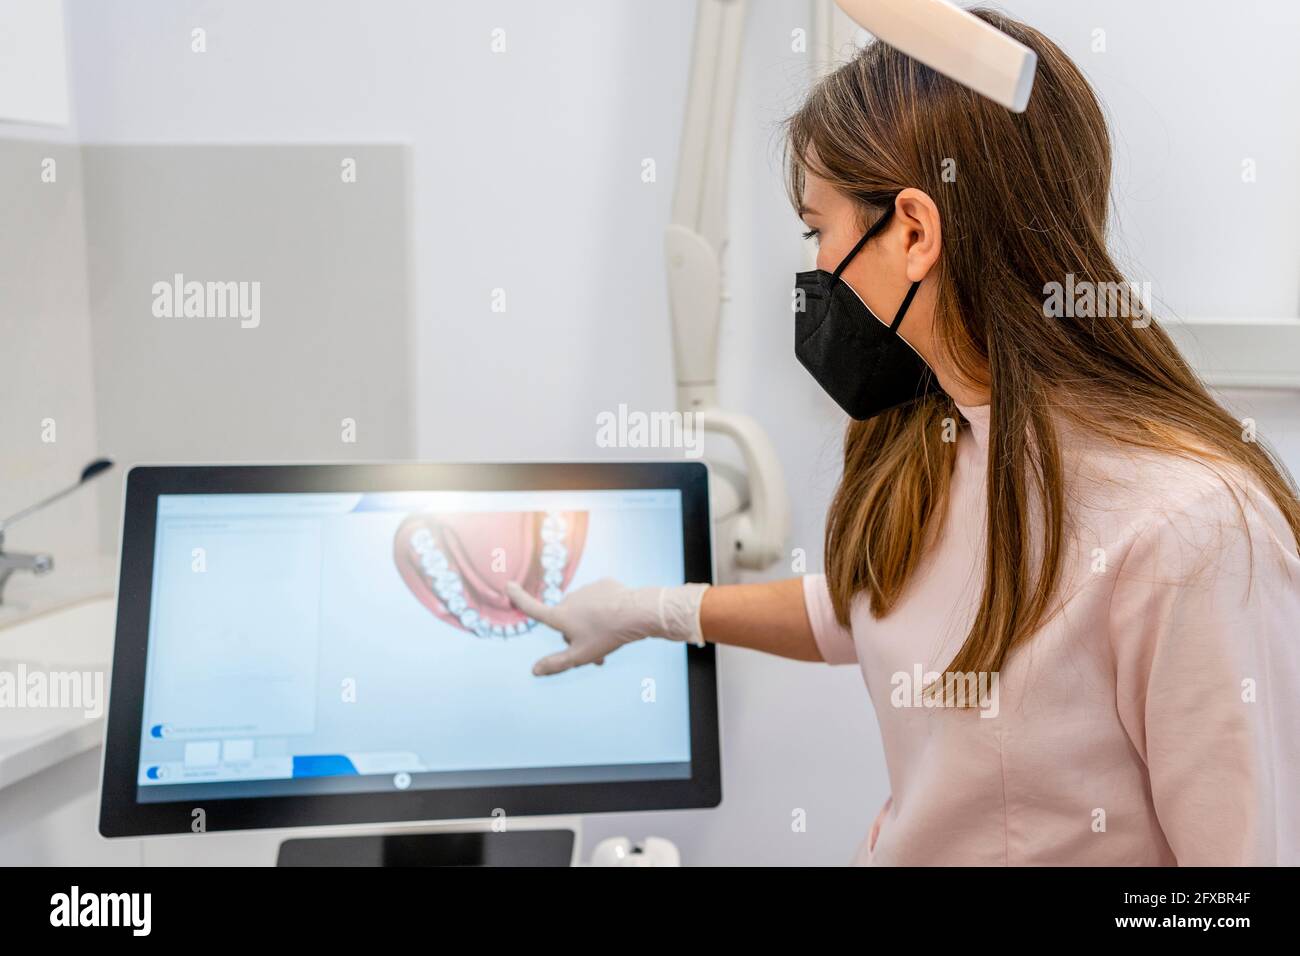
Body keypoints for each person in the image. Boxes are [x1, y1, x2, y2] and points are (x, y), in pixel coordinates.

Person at [509, 8, 1300, 866]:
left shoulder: (1188, 532)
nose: (813, 272)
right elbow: (868, 609)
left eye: (819, 231)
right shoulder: (942, 438)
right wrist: (647, 610)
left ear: (915, 233)